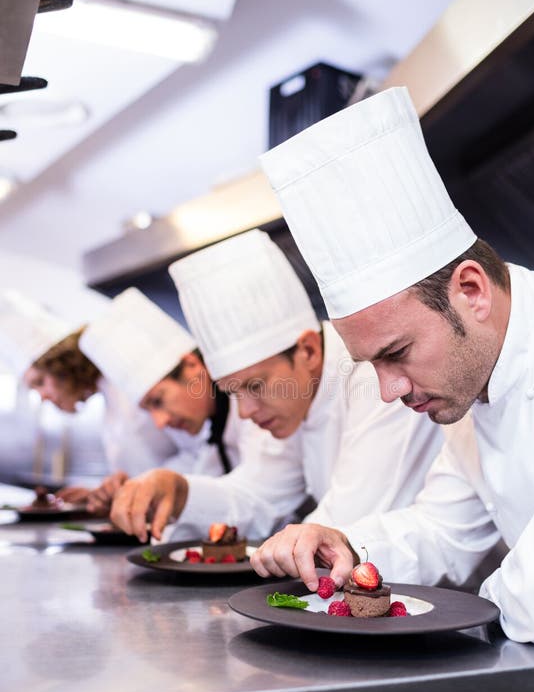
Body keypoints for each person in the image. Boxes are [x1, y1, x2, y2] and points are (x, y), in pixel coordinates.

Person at [256, 86, 534, 692]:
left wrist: (424, 624)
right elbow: (445, 527)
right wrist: (348, 544)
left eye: (397, 354)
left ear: (471, 290)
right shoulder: (469, 388)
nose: (386, 391)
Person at [109, 229, 442, 545]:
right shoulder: (295, 402)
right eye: (233, 393)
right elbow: (260, 495)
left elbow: (349, 522)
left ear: (308, 351)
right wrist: (180, 491)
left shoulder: (374, 378)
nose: (246, 412)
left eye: (255, 386)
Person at [78, 287, 240, 515]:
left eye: (158, 401)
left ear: (192, 365)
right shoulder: (207, 427)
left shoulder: (250, 408)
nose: (160, 422)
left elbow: (262, 494)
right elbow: (202, 468)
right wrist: (137, 487)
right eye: (148, 409)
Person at [0, 290, 174, 490]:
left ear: (63, 363)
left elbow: (196, 456)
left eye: (40, 381)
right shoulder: (107, 398)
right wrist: (102, 493)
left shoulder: (132, 383)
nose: (42, 397)